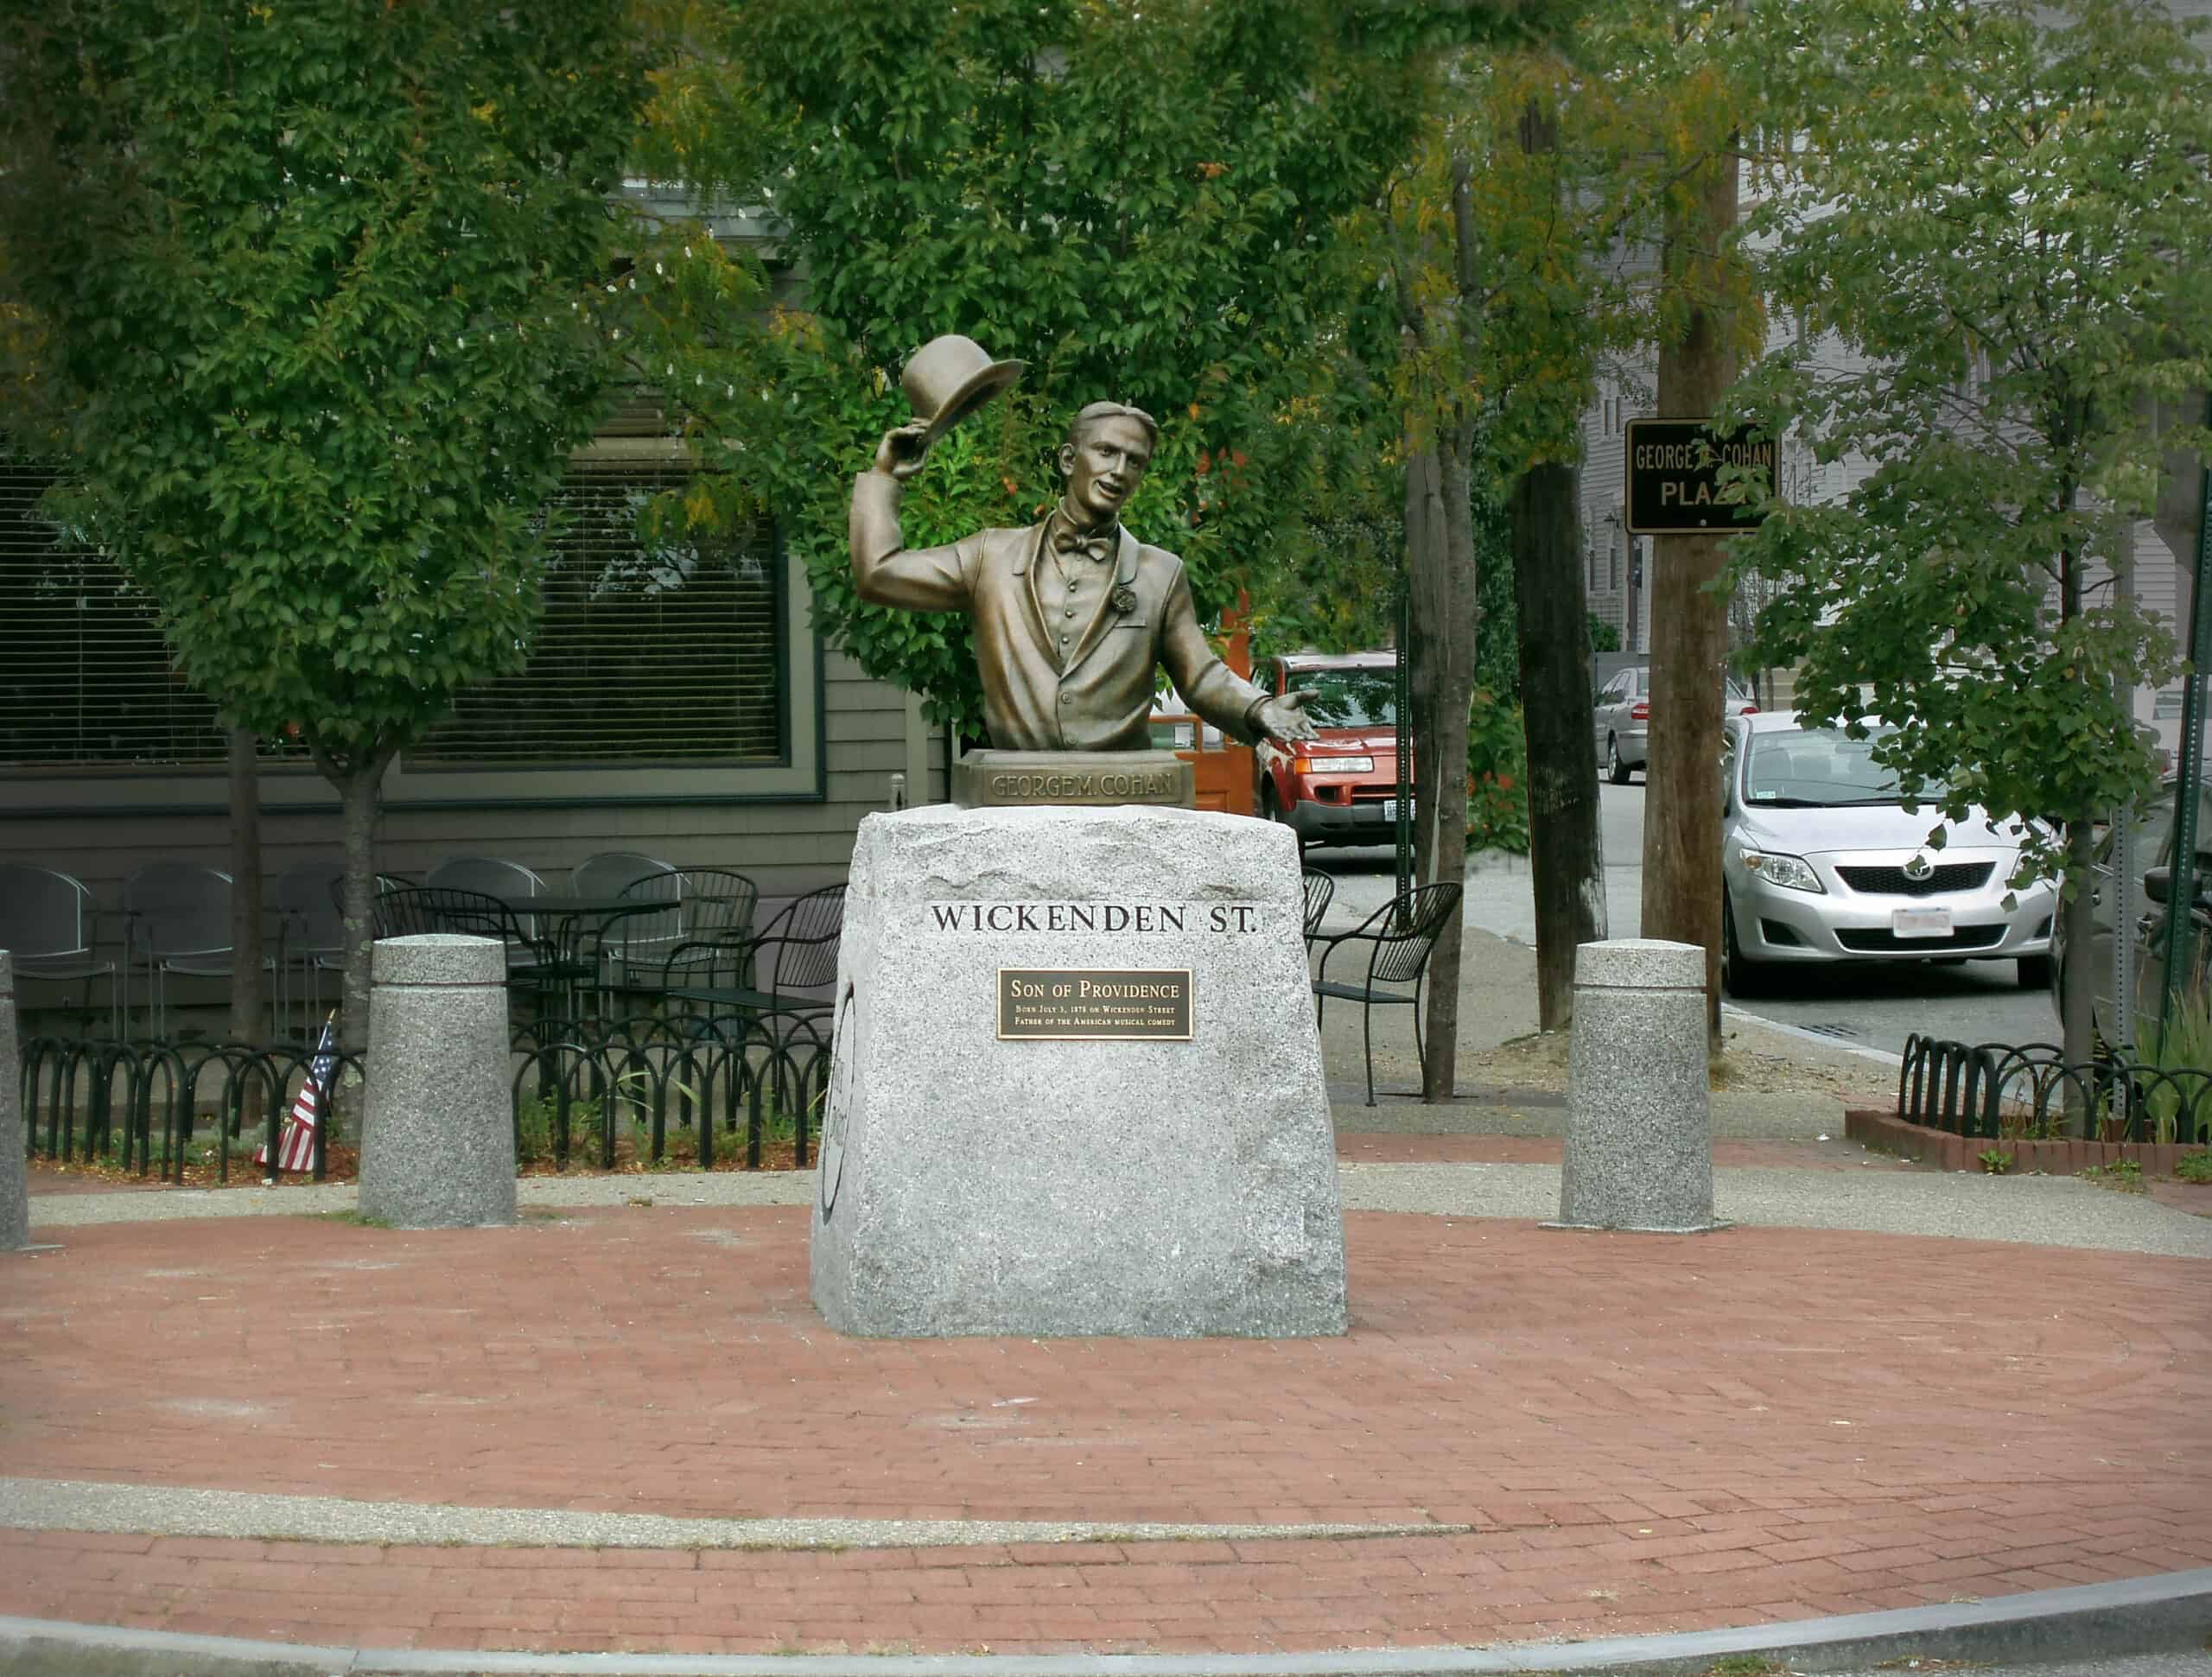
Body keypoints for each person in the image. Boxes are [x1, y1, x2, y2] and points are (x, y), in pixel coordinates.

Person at [849, 401, 1317, 753]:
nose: (1119, 471)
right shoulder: (990, 555)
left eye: (1135, 461)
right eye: (1107, 452)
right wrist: (885, 478)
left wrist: (1258, 706)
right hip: (1018, 786)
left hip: (1123, 790)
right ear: (1069, 460)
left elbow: (1200, 675)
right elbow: (879, 573)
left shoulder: (1161, 573)